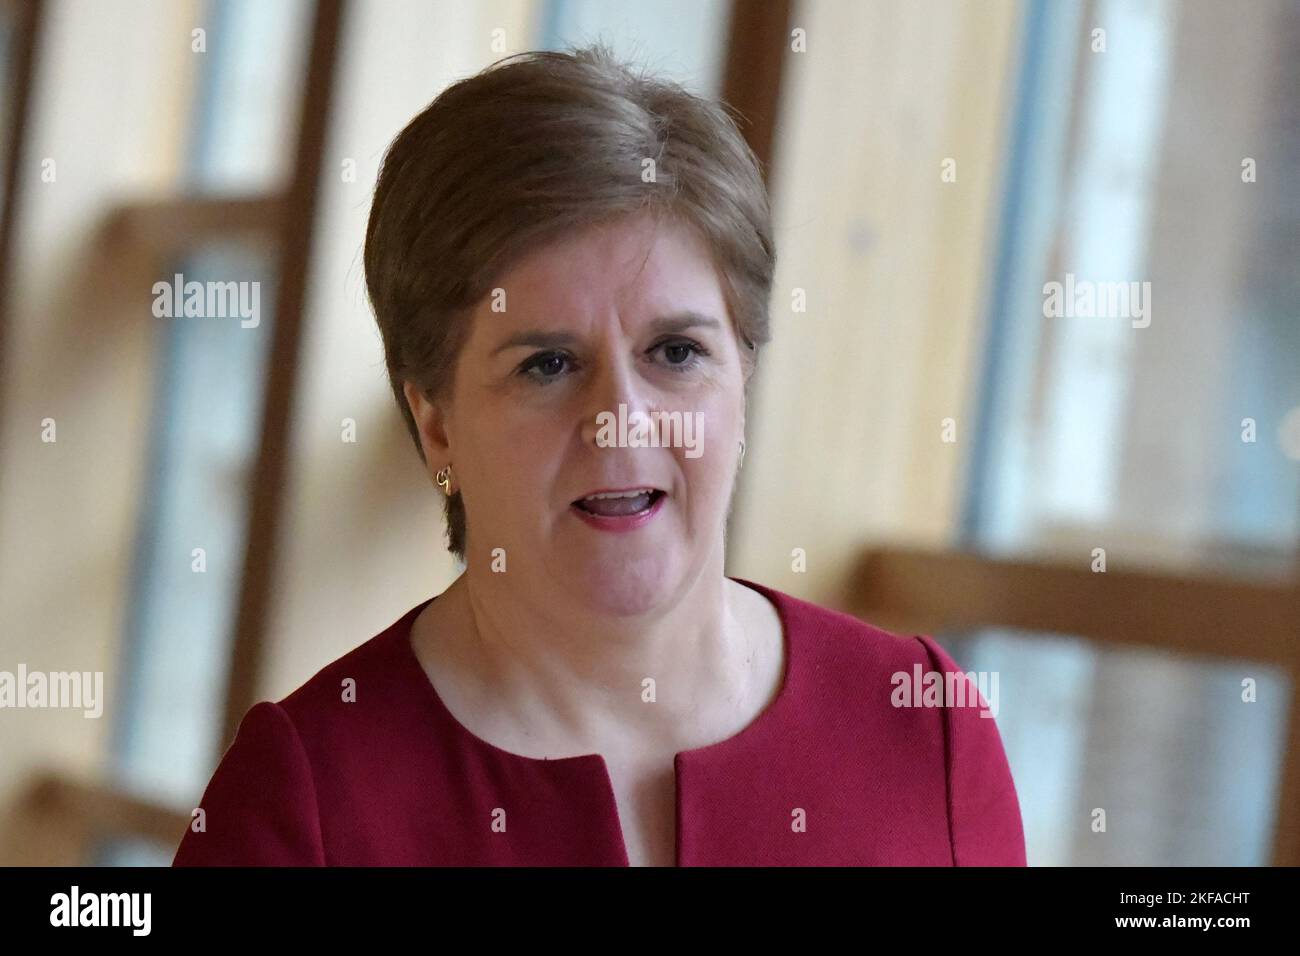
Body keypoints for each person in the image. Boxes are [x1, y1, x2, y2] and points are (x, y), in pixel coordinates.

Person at [173, 44, 1025, 867]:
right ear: (436, 426)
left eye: (677, 353)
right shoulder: (304, 806)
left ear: (745, 378)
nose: (621, 421)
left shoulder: (925, 727)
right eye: (547, 365)